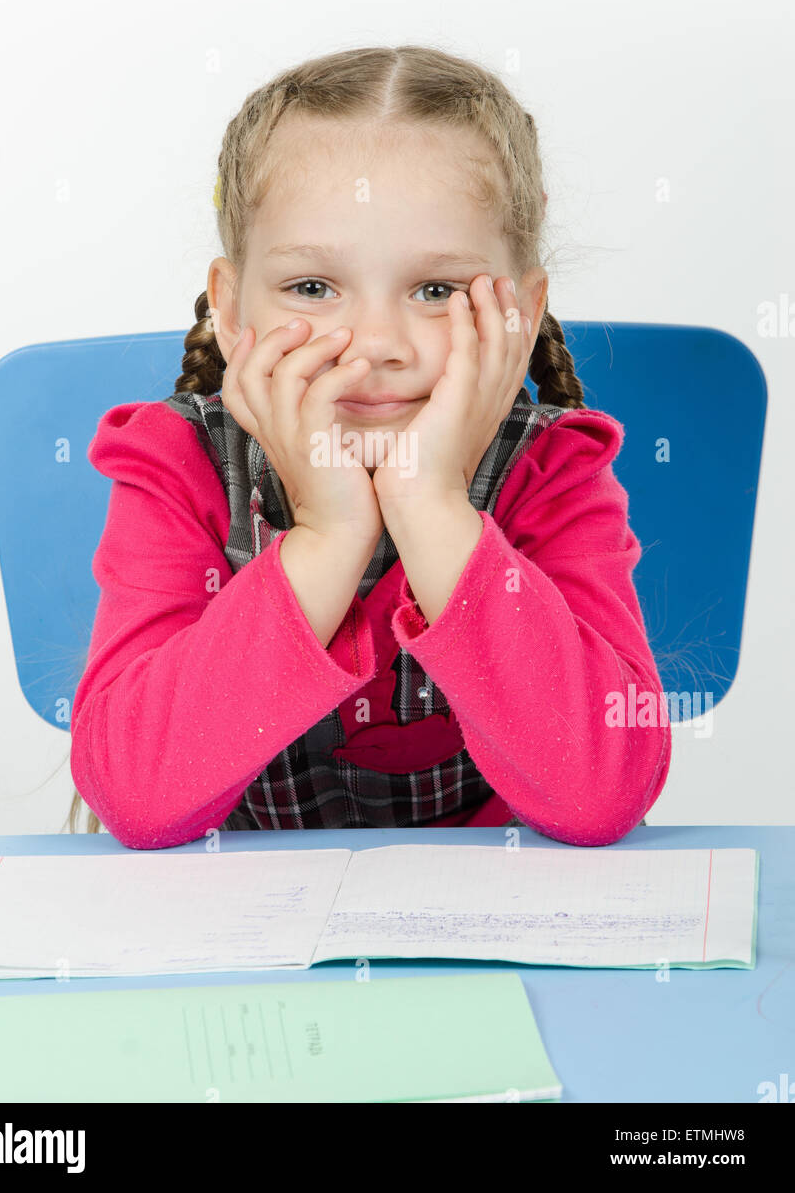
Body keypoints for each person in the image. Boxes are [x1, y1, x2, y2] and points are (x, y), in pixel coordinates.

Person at [68, 44, 670, 849]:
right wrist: (328, 536)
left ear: (519, 312)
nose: (377, 344)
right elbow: (137, 800)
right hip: (235, 941)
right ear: (231, 305)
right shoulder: (175, 462)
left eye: (435, 290)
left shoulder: (551, 471)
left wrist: (431, 509)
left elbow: (600, 796)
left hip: (497, 921)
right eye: (312, 288)